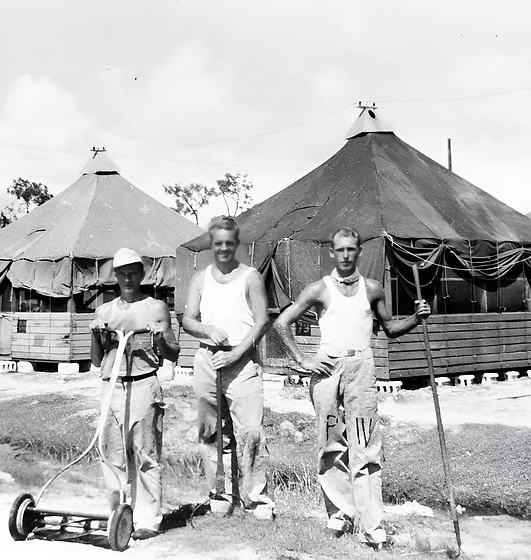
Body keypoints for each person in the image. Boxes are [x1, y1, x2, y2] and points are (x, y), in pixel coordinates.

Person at [273, 227, 431, 549]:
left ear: (359, 252)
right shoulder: (319, 289)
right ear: (332, 253)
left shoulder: (372, 289)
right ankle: (339, 513)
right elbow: (281, 323)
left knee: (365, 444)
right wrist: (304, 360)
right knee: (330, 443)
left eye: (351, 250)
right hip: (328, 371)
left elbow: (389, 328)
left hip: (362, 369)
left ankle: (373, 527)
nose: (346, 255)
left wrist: (416, 318)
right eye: (340, 249)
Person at [182, 215, 274, 519]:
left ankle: (256, 499)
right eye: (218, 243)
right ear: (211, 243)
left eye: (229, 243)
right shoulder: (200, 278)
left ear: (237, 244)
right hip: (207, 361)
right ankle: (219, 494)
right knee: (212, 431)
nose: (223, 248)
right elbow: (187, 320)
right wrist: (207, 329)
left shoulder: (250, 277)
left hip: (241, 362)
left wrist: (236, 354)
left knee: (250, 432)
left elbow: (262, 321)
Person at [91, 248, 180, 539]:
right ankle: (118, 513)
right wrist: (96, 335)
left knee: (146, 452)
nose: (128, 278)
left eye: (133, 272)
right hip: (112, 384)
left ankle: (147, 520)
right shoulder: (105, 311)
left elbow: (172, 352)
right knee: (112, 452)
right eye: (122, 273)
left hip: (144, 382)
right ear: (115, 276)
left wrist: (160, 336)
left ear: (142, 274)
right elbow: (95, 359)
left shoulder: (155, 307)